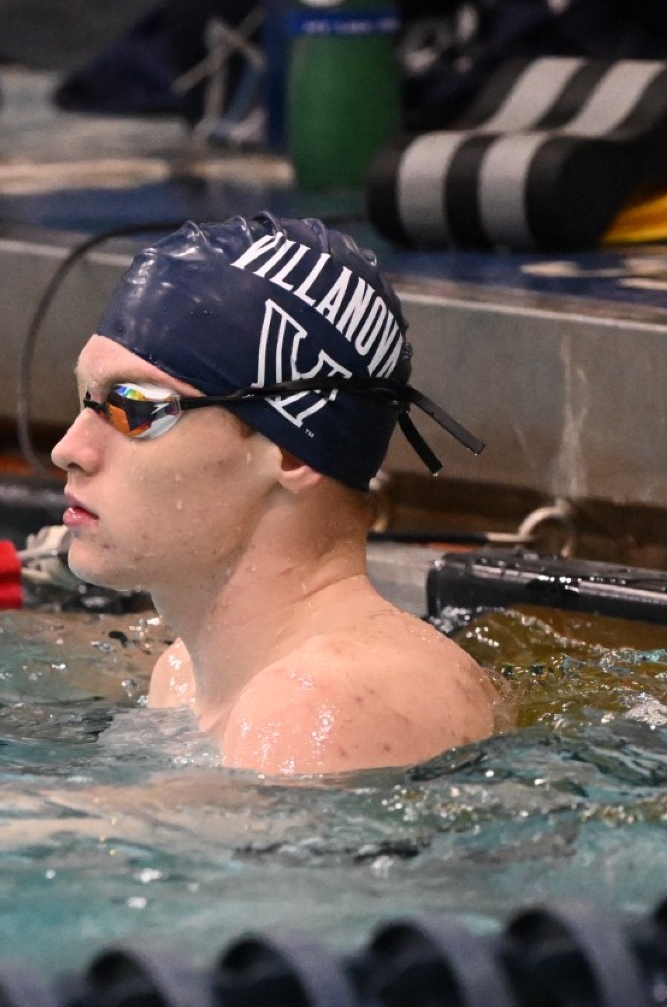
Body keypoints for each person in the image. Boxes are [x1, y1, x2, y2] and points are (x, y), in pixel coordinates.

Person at [50, 213, 497, 776]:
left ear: (292, 451)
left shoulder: (321, 702)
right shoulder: (184, 677)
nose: (69, 449)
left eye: (134, 408)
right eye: (86, 400)